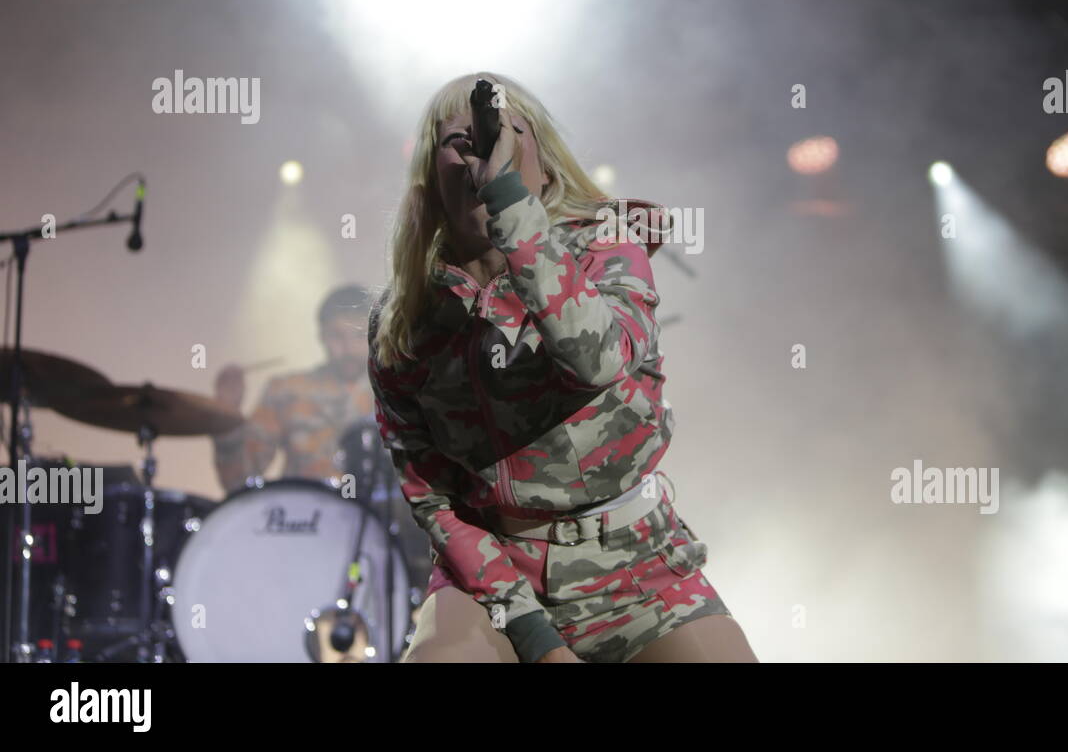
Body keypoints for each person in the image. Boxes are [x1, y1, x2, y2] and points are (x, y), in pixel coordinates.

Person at [368, 71, 758, 663]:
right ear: (430, 179)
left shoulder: (607, 250)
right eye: (460, 141)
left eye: (503, 133)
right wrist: (536, 639)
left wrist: (510, 207)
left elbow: (597, 359)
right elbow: (432, 495)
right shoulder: (405, 320)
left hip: (638, 568)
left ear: (544, 168)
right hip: (497, 580)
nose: (482, 149)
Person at [211, 285, 375, 495]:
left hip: (380, 520)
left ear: (375, 334)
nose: (348, 347)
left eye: (359, 335)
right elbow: (237, 481)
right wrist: (227, 416)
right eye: (337, 336)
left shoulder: (396, 395)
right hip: (302, 518)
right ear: (322, 336)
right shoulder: (287, 391)